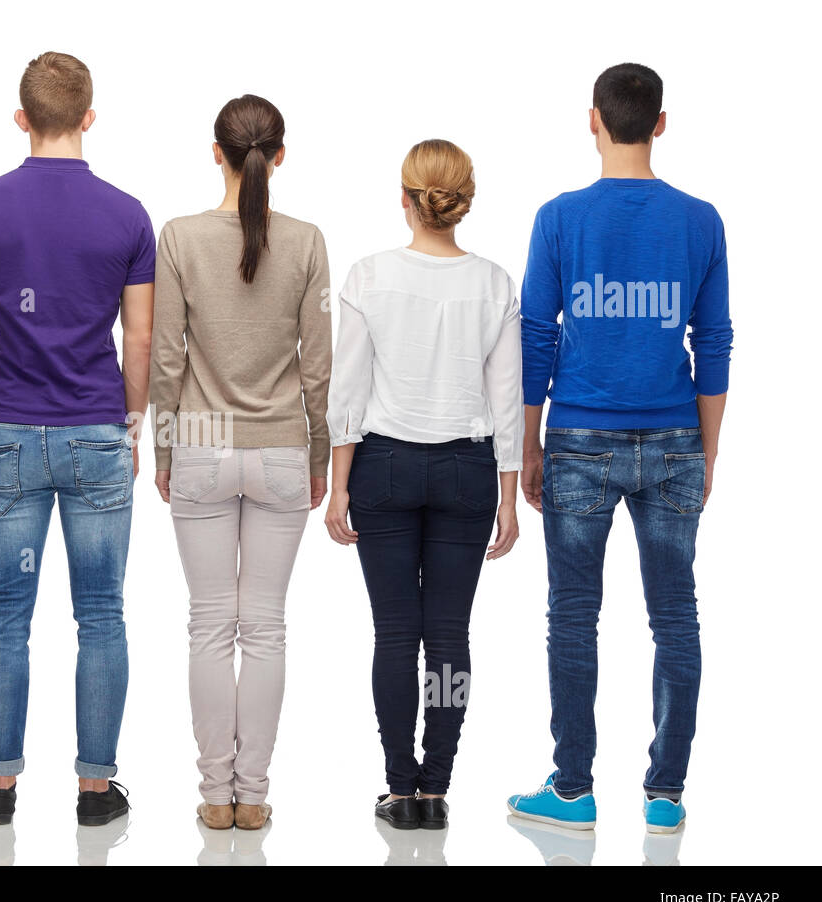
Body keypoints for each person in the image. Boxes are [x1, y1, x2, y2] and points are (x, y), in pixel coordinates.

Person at [507, 64, 732, 834]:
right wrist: (707, 451)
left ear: (592, 120)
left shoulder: (560, 217)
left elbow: (535, 334)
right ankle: (665, 794)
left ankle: (572, 790)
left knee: (573, 615)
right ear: (660, 123)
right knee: (676, 616)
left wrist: (529, 440)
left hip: (579, 437)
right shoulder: (701, 220)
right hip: (674, 440)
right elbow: (717, 342)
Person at [0, 52, 155, 827]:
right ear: (89, 118)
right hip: (97, 428)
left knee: (4, 614)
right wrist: (129, 425)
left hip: (10, 429)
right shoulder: (128, 215)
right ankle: (95, 793)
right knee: (100, 612)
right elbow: (139, 343)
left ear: (21, 119)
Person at [325, 139, 522, 831]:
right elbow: (507, 397)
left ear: (405, 199)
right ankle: (437, 787)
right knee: (448, 634)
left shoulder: (369, 276)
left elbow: (345, 389)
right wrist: (507, 490)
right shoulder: (494, 282)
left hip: (382, 465)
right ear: (463, 200)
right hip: (468, 470)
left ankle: (399, 786)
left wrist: (337, 484)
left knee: (394, 633)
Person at [151, 94, 331, 831]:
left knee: (206, 626)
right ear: (278, 156)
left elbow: (165, 359)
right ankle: (251, 794)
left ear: (215, 152)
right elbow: (318, 367)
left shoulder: (179, 238)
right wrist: (319, 453)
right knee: (265, 628)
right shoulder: (309, 241)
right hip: (282, 447)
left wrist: (163, 446)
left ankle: (213, 794)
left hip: (200, 442)